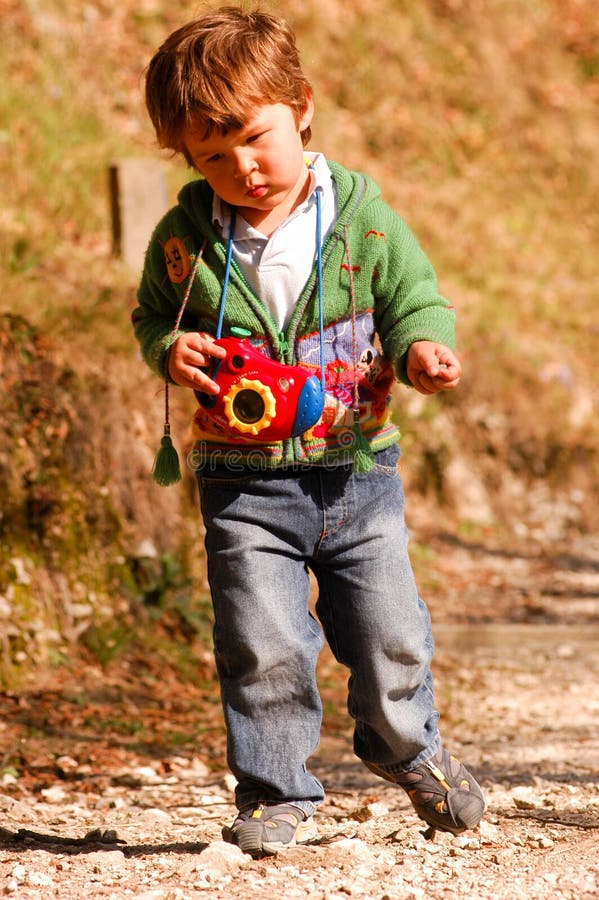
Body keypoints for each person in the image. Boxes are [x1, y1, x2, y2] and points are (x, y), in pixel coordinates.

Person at [132, 6, 486, 858]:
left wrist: (421, 348)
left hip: (356, 472)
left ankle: (406, 747)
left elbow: (413, 298)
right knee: (261, 642)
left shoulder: (363, 219)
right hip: (241, 483)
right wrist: (170, 350)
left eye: (255, 139)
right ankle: (274, 790)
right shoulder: (184, 240)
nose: (242, 168)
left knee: (388, 631)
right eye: (213, 157)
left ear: (301, 109)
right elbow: (151, 316)